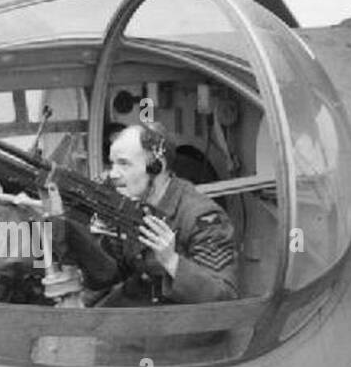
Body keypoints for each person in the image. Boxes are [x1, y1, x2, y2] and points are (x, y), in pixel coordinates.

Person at [60, 121, 239, 306]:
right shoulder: (133, 204)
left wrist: (171, 261)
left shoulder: (201, 216)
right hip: (139, 309)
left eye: (124, 164)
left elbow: (223, 298)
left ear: (156, 167)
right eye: (112, 163)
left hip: (182, 321)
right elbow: (113, 271)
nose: (113, 174)